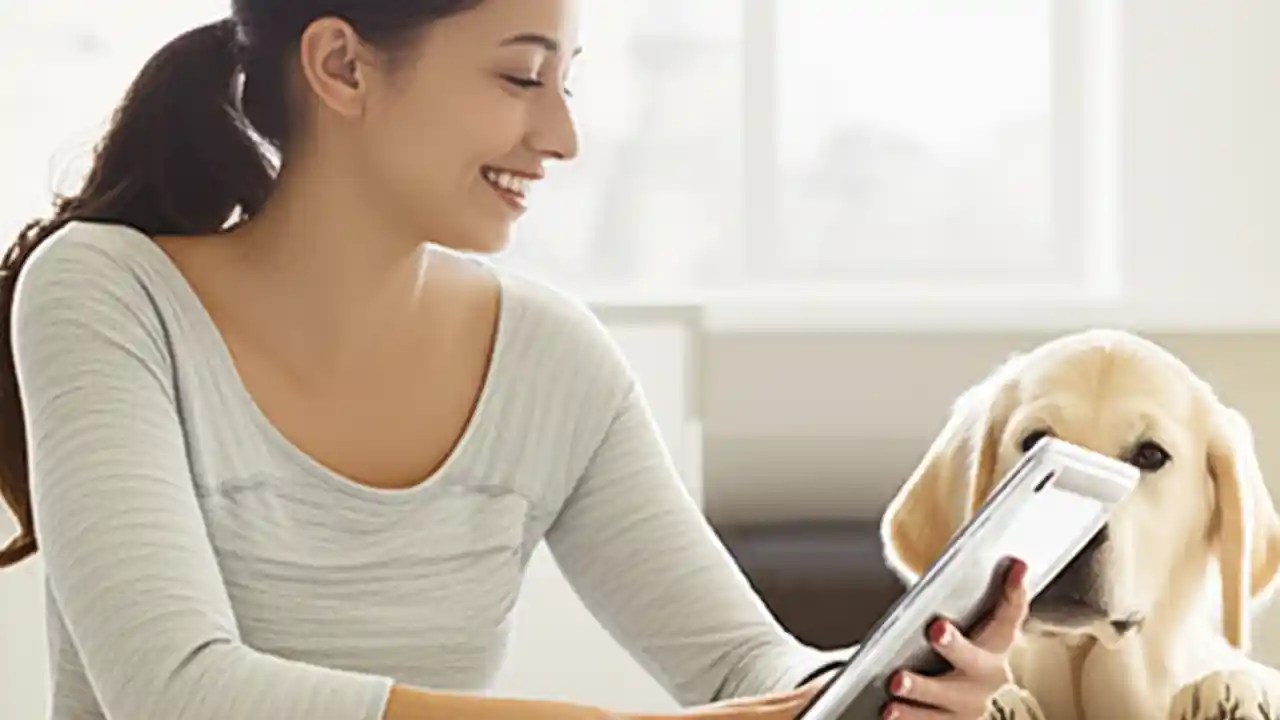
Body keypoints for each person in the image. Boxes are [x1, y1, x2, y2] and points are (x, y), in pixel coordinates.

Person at [0, 1, 1029, 718]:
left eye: (565, 82)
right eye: (519, 76)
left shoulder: (550, 358)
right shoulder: (108, 291)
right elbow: (176, 692)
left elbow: (741, 666)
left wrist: (892, 690)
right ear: (341, 66)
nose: (562, 134)